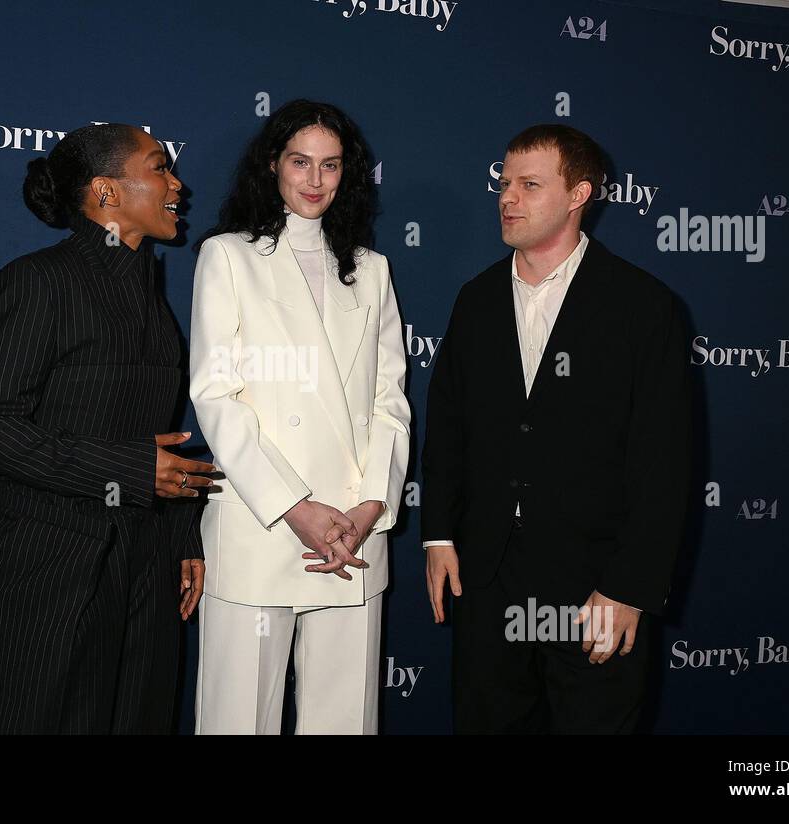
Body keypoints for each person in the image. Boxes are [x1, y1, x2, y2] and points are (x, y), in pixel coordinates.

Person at [422, 124, 692, 734]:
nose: (506, 197)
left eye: (529, 184)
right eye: (504, 183)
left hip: (593, 587)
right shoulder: (476, 299)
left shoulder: (643, 306)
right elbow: (449, 426)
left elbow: (663, 461)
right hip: (486, 583)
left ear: (579, 195)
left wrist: (629, 586)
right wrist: (438, 535)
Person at [0, 123, 215, 734]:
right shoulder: (37, 280)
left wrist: (181, 538)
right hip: (53, 569)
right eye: (159, 168)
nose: (178, 184)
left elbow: (158, 437)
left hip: (145, 571)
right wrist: (127, 468)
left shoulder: (150, 296)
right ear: (106, 192)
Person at [189, 99, 411, 734]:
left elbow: (389, 400)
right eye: (300, 162)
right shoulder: (228, 256)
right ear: (273, 165)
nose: (315, 180)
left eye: (331, 165)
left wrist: (371, 506)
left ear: (348, 175)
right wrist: (294, 506)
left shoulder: (372, 272)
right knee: (238, 722)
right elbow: (217, 396)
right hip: (262, 526)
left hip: (353, 537)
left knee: (344, 722)